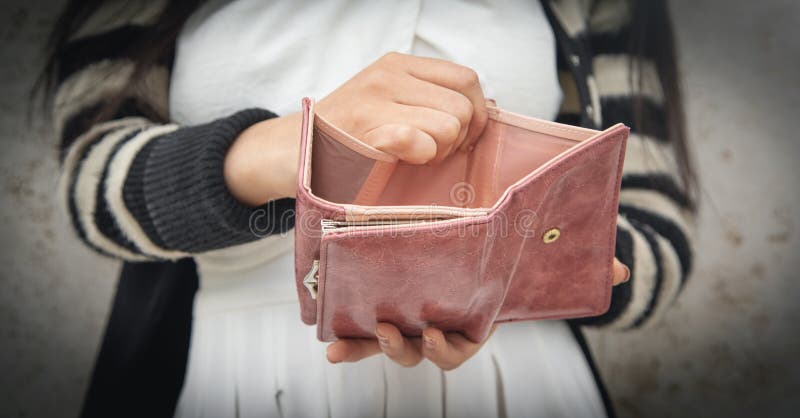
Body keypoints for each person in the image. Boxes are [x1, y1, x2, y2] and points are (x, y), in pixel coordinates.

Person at [40, 0, 695, 416]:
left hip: (515, 376)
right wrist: (297, 148)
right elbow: (92, 193)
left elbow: (654, 238)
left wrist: (506, 277)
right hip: (238, 374)